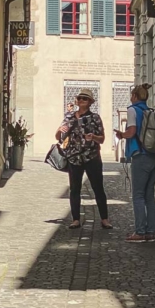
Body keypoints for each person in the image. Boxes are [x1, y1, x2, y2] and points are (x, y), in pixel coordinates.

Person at [56, 88, 112, 230]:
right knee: (75, 189)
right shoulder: (69, 117)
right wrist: (58, 131)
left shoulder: (95, 118)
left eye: (85, 98)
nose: (81, 100)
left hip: (92, 157)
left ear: (90, 102)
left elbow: (102, 139)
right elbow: (59, 137)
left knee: (98, 188)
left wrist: (93, 137)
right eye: (80, 98)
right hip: (74, 158)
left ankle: (104, 218)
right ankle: (75, 219)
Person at [116, 84, 155, 242]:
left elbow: (132, 131)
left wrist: (121, 134)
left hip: (140, 156)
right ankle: (150, 232)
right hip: (154, 156)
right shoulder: (149, 111)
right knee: (150, 196)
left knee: (138, 196)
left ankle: (140, 232)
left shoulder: (133, 110)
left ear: (134, 96)